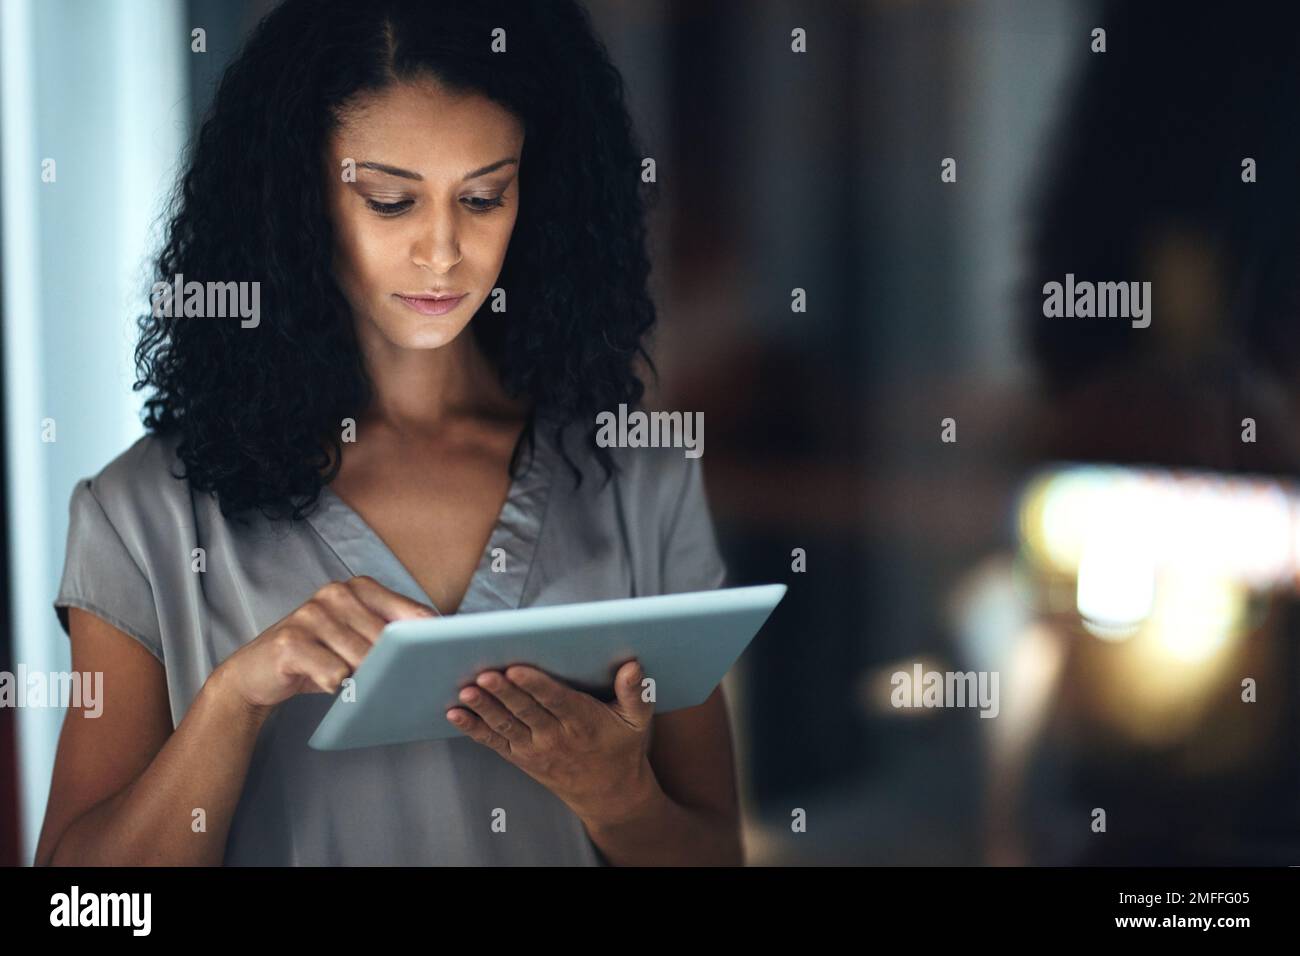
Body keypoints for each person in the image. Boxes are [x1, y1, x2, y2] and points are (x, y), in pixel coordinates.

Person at [35, 0, 742, 866]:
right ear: (298, 196)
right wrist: (232, 703)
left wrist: (619, 798)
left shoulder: (640, 480)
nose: (443, 251)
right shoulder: (141, 517)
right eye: (391, 200)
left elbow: (713, 854)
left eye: (483, 197)